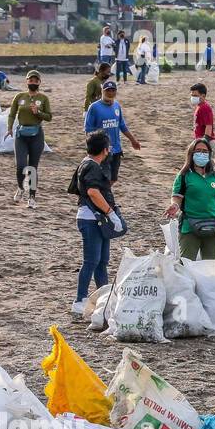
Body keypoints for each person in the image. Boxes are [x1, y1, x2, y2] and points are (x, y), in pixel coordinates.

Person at [71, 131, 123, 315]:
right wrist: (110, 213)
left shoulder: (87, 164)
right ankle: (80, 299)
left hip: (96, 219)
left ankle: (105, 299)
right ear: (105, 149)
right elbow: (93, 192)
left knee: (101, 261)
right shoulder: (92, 166)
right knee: (91, 260)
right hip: (91, 219)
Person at [165, 139, 215, 261]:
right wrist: (174, 206)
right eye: (198, 151)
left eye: (205, 151)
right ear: (191, 153)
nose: (201, 154)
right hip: (190, 227)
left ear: (210, 154)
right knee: (186, 264)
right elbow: (177, 198)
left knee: (210, 266)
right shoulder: (184, 175)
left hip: (211, 227)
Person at [7, 70, 51, 208]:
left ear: (39, 82)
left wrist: (38, 112)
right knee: (20, 165)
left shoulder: (43, 98)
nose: (33, 82)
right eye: (30, 80)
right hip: (21, 135)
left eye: (35, 80)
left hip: (36, 135)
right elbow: (12, 114)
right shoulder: (19, 97)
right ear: (26, 81)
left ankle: (32, 197)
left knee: (32, 167)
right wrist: (9, 128)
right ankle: (20, 187)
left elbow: (49, 117)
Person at [83, 80, 141, 184]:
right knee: (104, 178)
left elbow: (122, 125)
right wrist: (91, 148)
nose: (110, 93)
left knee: (113, 179)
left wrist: (133, 140)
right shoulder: (94, 107)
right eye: (108, 90)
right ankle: (102, 197)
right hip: (102, 150)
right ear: (102, 91)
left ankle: (103, 196)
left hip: (116, 149)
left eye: (113, 90)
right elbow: (88, 129)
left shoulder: (117, 106)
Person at [191, 83, 215, 152]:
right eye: (192, 95)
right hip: (200, 141)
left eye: (195, 95)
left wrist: (204, 142)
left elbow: (208, 126)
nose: (193, 98)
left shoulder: (205, 108)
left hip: (206, 143)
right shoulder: (200, 106)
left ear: (203, 96)